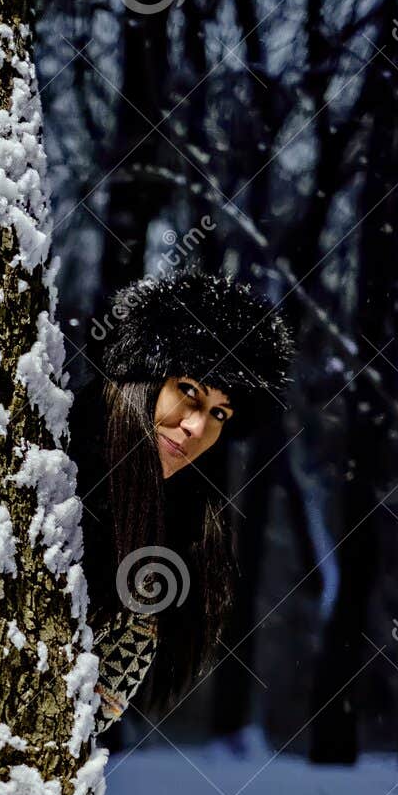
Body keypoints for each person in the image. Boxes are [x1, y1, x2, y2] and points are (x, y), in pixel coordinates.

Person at [69, 268, 294, 736]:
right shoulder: (50, 468)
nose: (196, 427)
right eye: (188, 390)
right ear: (141, 379)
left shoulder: (183, 536)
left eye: (219, 413)